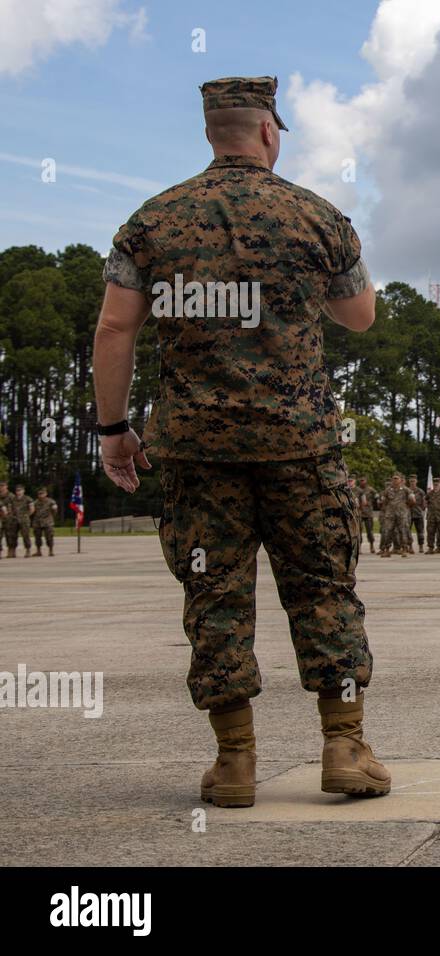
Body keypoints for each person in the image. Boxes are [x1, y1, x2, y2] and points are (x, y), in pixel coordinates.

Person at [94, 75, 387, 807]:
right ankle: (344, 746)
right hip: (300, 447)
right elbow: (360, 316)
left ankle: (234, 763)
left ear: (210, 133)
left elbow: (114, 329)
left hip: (197, 452)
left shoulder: (151, 222)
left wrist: (114, 430)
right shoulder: (316, 217)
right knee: (324, 591)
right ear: (267, 132)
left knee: (214, 596)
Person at [31, 487, 57, 556]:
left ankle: (51, 551)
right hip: (37, 522)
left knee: (49, 537)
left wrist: (53, 513)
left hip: (47, 522)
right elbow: (32, 512)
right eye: (39, 494)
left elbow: (55, 511)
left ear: (46, 494)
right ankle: (38, 551)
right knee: (37, 538)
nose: (40, 495)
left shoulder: (51, 501)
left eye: (42, 494)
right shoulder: (35, 502)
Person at [355, 477, 377, 554]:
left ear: (366, 481)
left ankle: (372, 546)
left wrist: (372, 503)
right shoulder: (357, 490)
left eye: (363, 480)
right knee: (359, 531)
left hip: (368, 513)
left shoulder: (370, 489)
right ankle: (359, 547)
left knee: (369, 531)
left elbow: (377, 496)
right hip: (359, 513)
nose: (362, 482)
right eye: (360, 481)